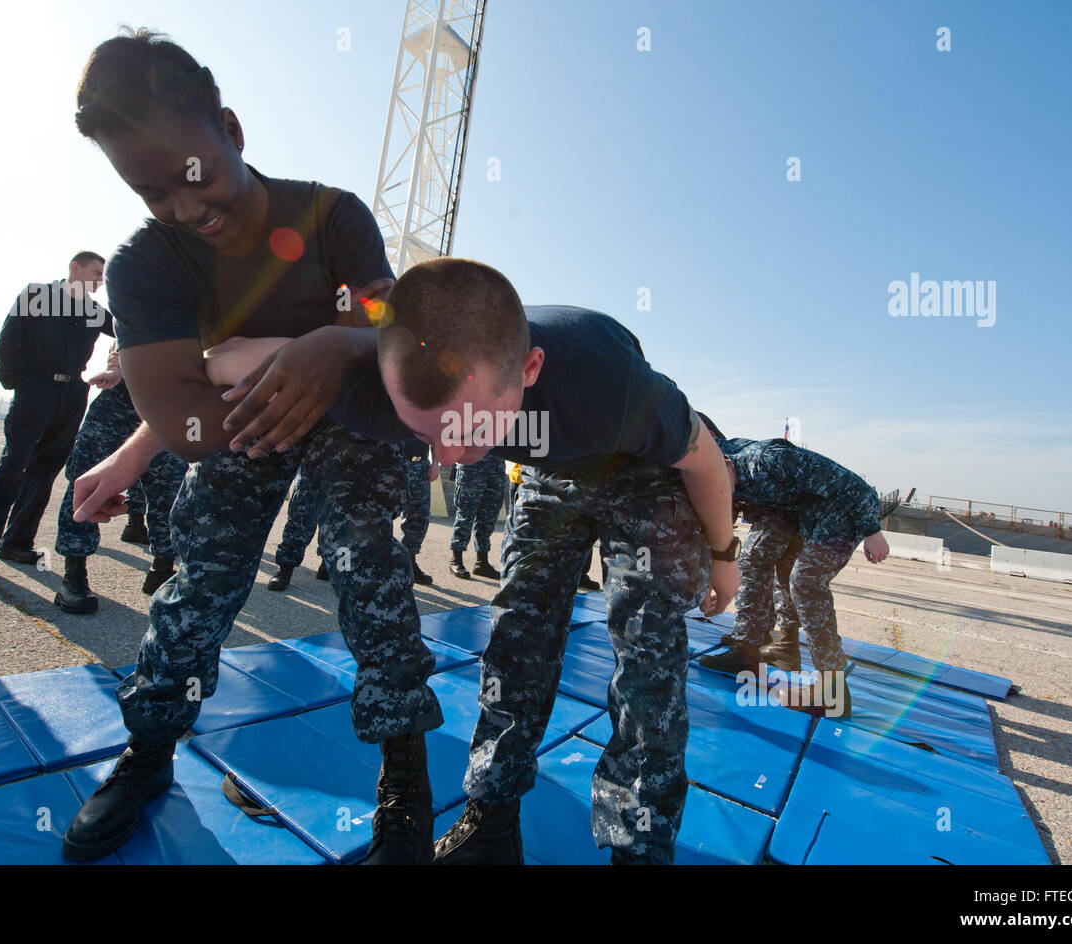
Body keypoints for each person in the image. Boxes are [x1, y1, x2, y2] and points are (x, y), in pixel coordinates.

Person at [205, 257, 741, 865]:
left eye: (469, 428)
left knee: (648, 651)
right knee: (517, 634)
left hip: (645, 471)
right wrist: (204, 358)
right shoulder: (400, 373)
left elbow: (704, 462)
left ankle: (639, 849)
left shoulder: (614, 387)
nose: (454, 454)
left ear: (528, 370)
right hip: (550, 468)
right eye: (433, 433)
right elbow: (235, 355)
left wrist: (724, 557)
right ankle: (491, 821)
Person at [58, 29, 441, 865]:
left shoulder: (331, 213)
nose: (184, 205)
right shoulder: (147, 264)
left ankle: (405, 779)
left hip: (349, 417)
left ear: (230, 131)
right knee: (202, 580)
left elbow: (392, 327)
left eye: (191, 173)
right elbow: (180, 419)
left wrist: (335, 348)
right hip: (235, 430)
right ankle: (149, 748)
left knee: (369, 566)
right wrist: (289, 355)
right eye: (149, 191)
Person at [698, 436, 891, 718]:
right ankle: (778, 650)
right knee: (781, 569)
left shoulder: (766, 461)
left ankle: (831, 691)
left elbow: (850, 485)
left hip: (845, 509)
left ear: (723, 464)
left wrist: (872, 532)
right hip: (807, 514)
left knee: (807, 581)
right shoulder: (729, 474)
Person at [0, 252, 112, 579]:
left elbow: (132, 331)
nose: (99, 281)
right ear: (74, 268)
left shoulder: (94, 312)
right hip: (34, 390)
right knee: (13, 465)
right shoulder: (39, 295)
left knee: (43, 472)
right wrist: (17, 382)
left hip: (71, 395)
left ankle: (17, 542)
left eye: (102, 276)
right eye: (95, 273)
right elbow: (9, 338)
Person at [53, 345, 188, 612]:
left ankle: (162, 570)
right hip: (120, 403)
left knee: (172, 490)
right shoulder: (151, 303)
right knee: (88, 484)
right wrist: (116, 370)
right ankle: (74, 576)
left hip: (169, 406)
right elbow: (127, 335)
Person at [266, 464, 328, 591]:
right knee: (301, 515)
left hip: (352, 459)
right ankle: (285, 568)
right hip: (316, 457)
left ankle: (334, 567)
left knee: (345, 522)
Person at [448, 455, 504, 580]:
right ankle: (456, 560)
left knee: (488, 516)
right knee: (466, 514)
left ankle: (482, 563)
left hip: (496, 467)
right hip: (471, 466)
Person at [398, 438, 436, 585]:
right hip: (398, 463)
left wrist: (435, 464)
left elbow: (435, 437)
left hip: (421, 466)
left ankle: (409, 563)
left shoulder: (428, 415)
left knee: (420, 517)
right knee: (383, 516)